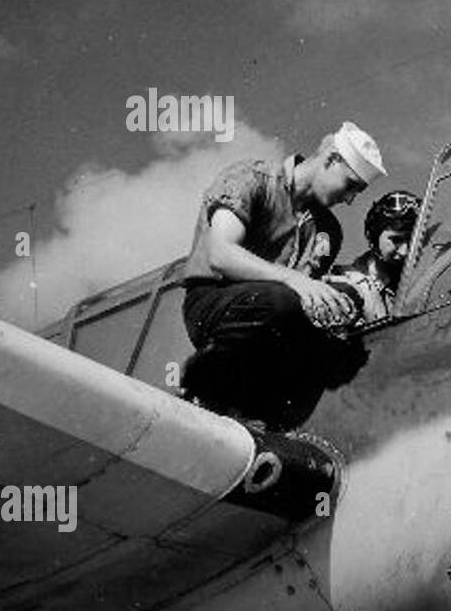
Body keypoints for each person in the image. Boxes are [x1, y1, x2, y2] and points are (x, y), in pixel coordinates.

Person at [180, 121, 385, 428]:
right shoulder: (251, 179)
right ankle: (203, 387)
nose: (351, 199)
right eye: (350, 184)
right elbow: (221, 255)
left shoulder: (328, 231)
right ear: (330, 159)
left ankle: (267, 421)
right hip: (213, 302)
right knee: (281, 301)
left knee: (338, 349)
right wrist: (295, 280)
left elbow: (305, 299)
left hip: (275, 316)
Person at [328, 190, 421, 323]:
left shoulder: (425, 276)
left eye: (412, 240)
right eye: (396, 240)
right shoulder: (352, 284)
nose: (404, 251)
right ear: (374, 237)